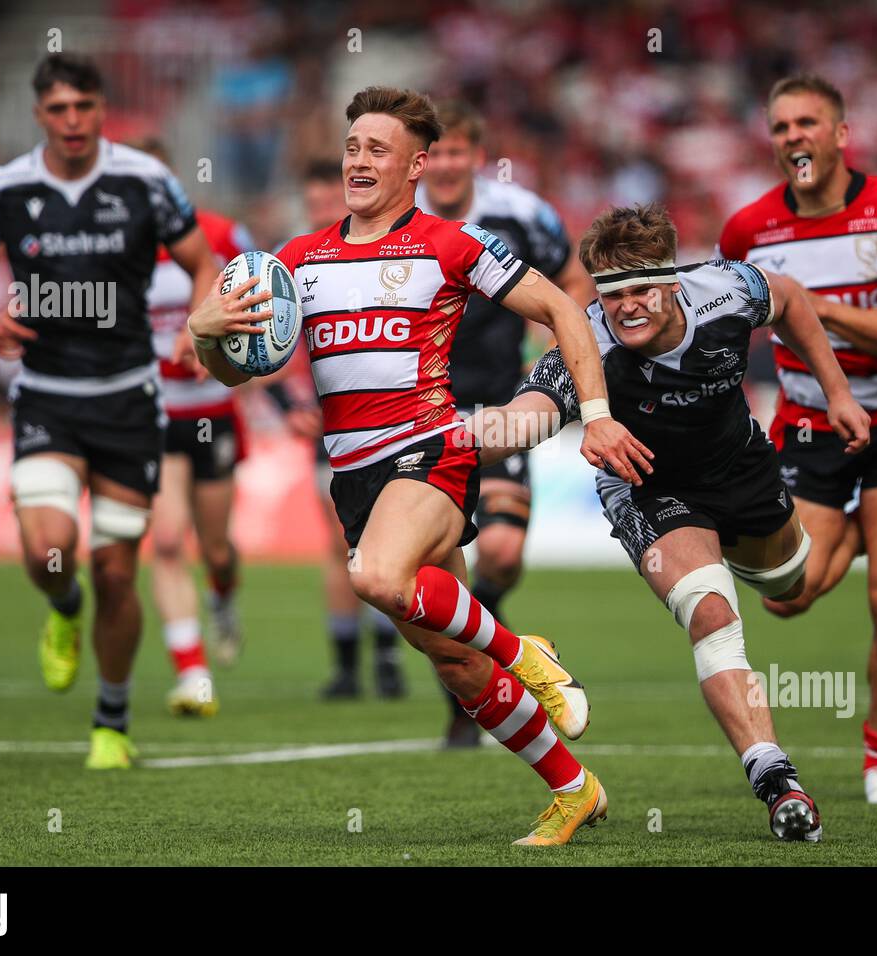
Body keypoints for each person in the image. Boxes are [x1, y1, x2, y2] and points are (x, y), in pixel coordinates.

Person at [187, 85, 649, 846]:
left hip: (431, 449)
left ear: (415, 166)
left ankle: (524, 650)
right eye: (352, 147)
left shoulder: (454, 243)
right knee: (454, 661)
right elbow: (236, 371)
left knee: (375, 576)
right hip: (355, 478)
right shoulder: (296, 260)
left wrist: (595, 415)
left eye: (377, 148)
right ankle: (575, 789)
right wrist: (207, 335)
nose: (358, 160)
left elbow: (565, 309)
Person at [464, 203, 871, 841]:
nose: (625, 307)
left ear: (672, 282)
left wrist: (838, 392)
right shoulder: (586, 342)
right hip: (650, 488)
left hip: (740, 467)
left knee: (791, 588)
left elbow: (791, 301)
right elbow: (524, 417)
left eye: (640, 291)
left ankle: (856, 529)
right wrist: (451, 440)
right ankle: (777, 780)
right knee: (711, 612)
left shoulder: (727, 291)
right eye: (611, 294)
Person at [0, 54, 216, 768]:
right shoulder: (6, 187)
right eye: (58, 109)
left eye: (83, 106)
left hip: (129, 400)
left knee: (117, 573)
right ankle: (63, 608)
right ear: (39, 115)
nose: (71, 121)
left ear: (100, 110)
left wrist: (194, 325)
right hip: (47, 398)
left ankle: (111, 724)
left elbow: (204, 263)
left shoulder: (144, 180)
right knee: (48, 551)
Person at [719, 73, 877, 804]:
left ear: (841, 134)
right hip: (809, 427)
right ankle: (869, 521)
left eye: (807, 123)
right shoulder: (746, 232)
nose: (794, 137)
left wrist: (808, 307)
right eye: (781, 127)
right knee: (787, 597)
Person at [415, 99, 590, 747]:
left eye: (458, 151)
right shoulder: (399, 219)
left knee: (502, 553)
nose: (447, 164)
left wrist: (550, 357)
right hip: (422, 411)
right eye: (437, 153)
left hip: (499, 407)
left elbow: (572, 282)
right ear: (422, 160)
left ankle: (490, 639)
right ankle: (467, 701)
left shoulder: (521, 214)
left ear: (477, 156)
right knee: (436, 565)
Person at [274, 159, 407, 702]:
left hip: (388, 426)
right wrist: (288, 406)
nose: (319, 212)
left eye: (326, 200)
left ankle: (387, 657)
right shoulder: (291, 263)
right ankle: (350, 665)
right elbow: (260, 347)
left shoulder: (382, 255)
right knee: (341, 546)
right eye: (311, 203)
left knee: (386, 548)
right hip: (327, 432)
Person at [136, 137, 254, 715]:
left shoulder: (222, 235)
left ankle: (223, 597)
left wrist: (221, 347)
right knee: (164, 540)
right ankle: (193, 673)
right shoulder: (115, 244)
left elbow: (265, 301)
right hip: (153, 413)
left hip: (212, 411)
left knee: (217, 550)